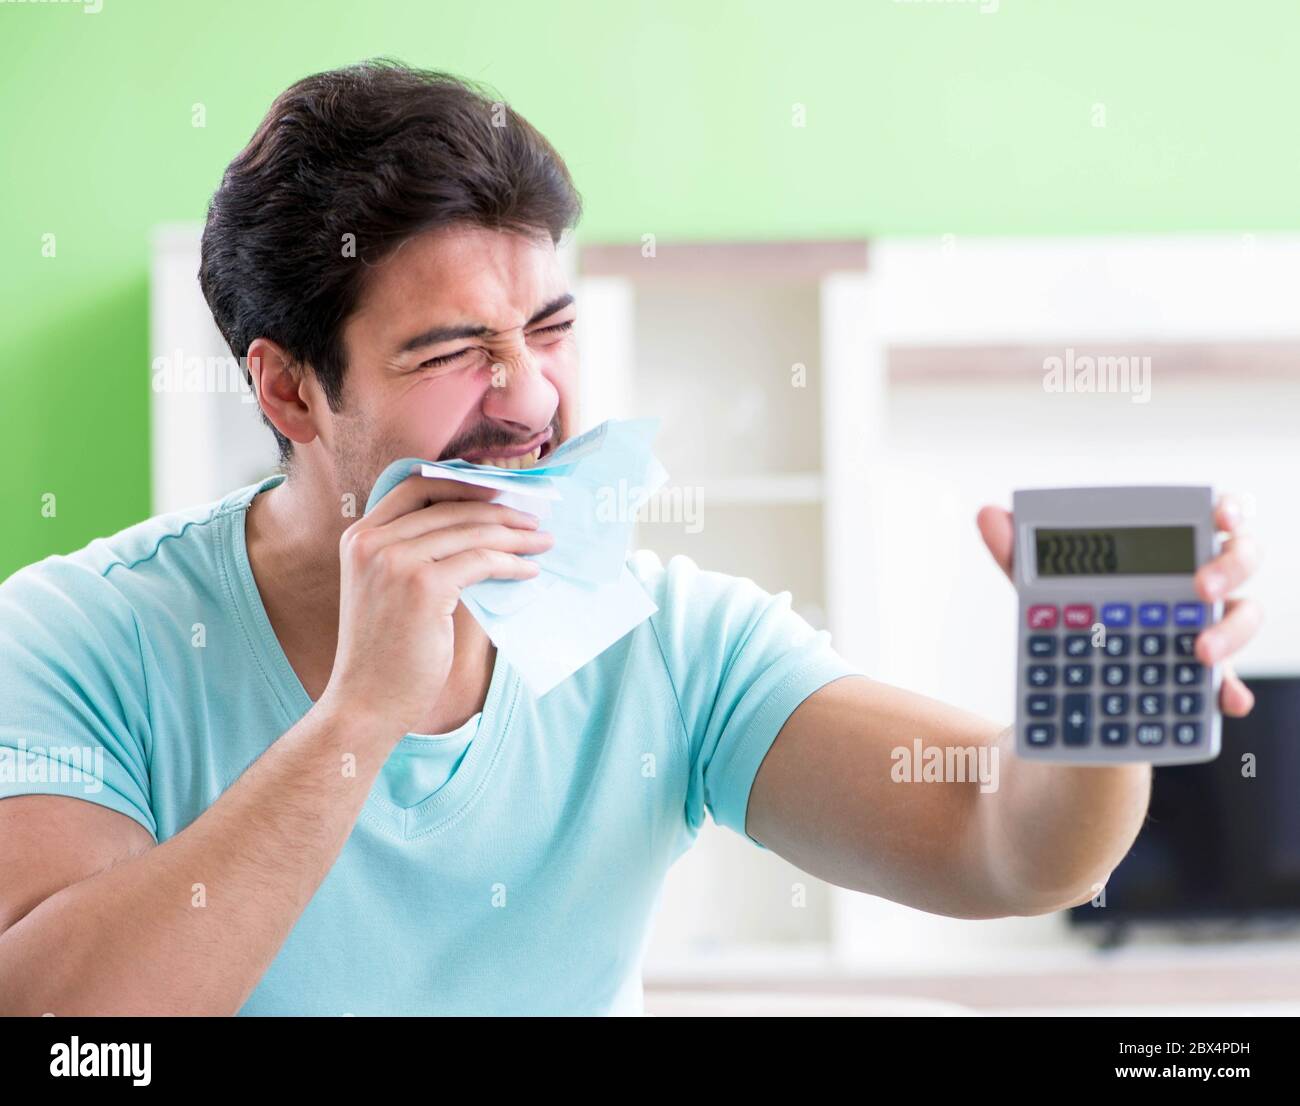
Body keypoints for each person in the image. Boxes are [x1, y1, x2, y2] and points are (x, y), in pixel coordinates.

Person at [0, 59, 1262, 1015]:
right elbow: (60, 1020)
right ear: (287, 392)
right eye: (451, 352)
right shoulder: (78, 635)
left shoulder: (670, 635)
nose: (533, 398)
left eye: (546, 329)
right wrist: (355, 719)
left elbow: (998, 839)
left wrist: (1095, 717)